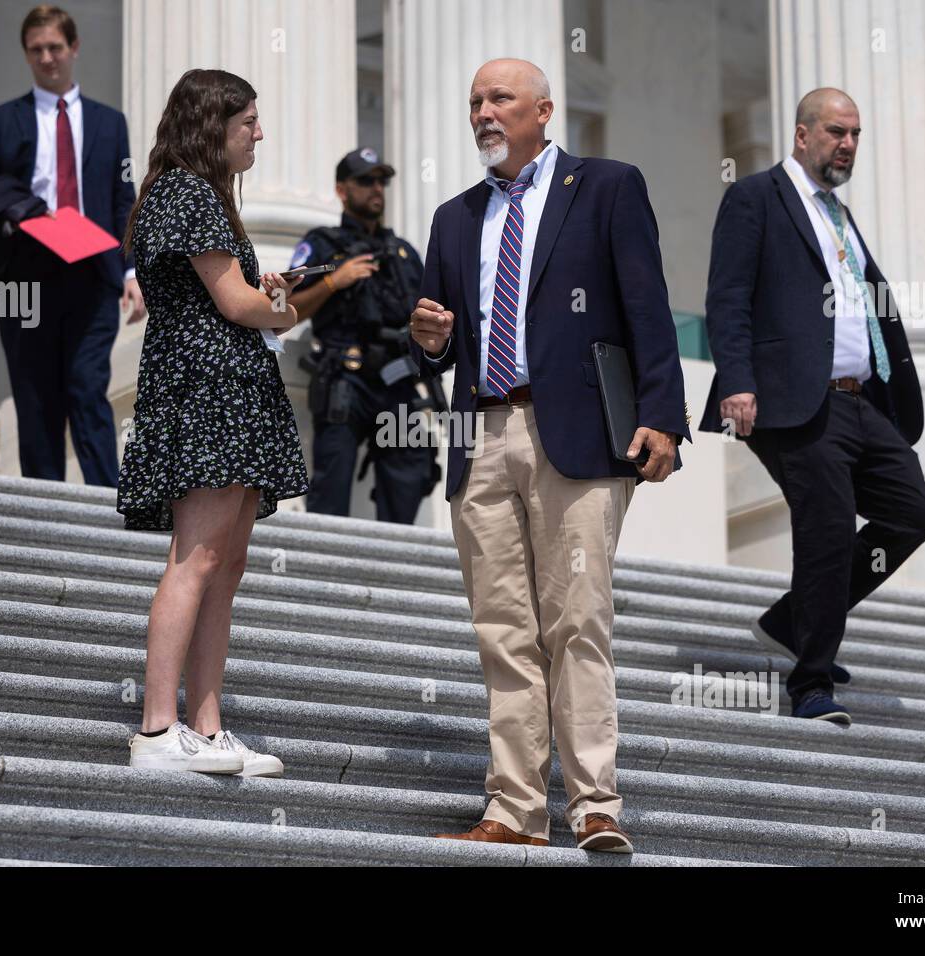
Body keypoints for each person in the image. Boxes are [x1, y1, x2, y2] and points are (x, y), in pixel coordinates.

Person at [409, 59, 690, 852]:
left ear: (542, 110)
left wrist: (663, 417)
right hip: (483, 437)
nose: (484, 113)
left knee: (578, 622)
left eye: (499, 99)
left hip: (579, 437)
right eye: (474, 103)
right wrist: (431, 340)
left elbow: (647, 306)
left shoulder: (605, 187)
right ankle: (514, 809)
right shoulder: (453, 217)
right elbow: (444, 338)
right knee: (503, 631)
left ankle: (596, 803)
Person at [698, 87, 925, 726]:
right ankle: (811, 686)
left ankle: (789, 619)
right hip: (794, 401)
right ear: (802, 135)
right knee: (827, 527)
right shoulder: (756, 198)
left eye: (855, 133)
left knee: (912, 514)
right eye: (836, 131)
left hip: (862, 403)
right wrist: (738, 384)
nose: (848, 144)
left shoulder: (838, 214)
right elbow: (727, 297)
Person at [117, 69, 310, 776]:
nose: (258, 133)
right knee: (196, 559)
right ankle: (157, 728)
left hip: (228, 389)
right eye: (248, 121)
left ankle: (205, 725)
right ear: (214, 125)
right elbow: (234, 304)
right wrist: (283, 307)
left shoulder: (195, 196)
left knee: (224, 566)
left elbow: (229, 296)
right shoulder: (186, 192)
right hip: (208, 391)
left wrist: (265, 297)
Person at [0, 4, 145, 486]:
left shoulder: (110, 122)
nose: (47, 58)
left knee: (87, 386)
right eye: (36, 49)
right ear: (26, 54)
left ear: (74, 48)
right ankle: (42, 503)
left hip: (93, 272)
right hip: (24, 272)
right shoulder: (0, 120)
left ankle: (109, 499)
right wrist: (23, 213)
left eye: (55, 47)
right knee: (35, 394)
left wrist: (131, 273)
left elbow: (122, 199)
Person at [288, 148, 440, 523]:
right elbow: (283, 309)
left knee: (410, 476)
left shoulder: (404, 252)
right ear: (342, 190)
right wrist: (332, 282)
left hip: (397, 382)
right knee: (330, 492)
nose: (376, 189)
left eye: (381, 181)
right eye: (365, 180)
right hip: (345, 379)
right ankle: (323, 575)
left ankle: (395, 573)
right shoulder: (321, 243)